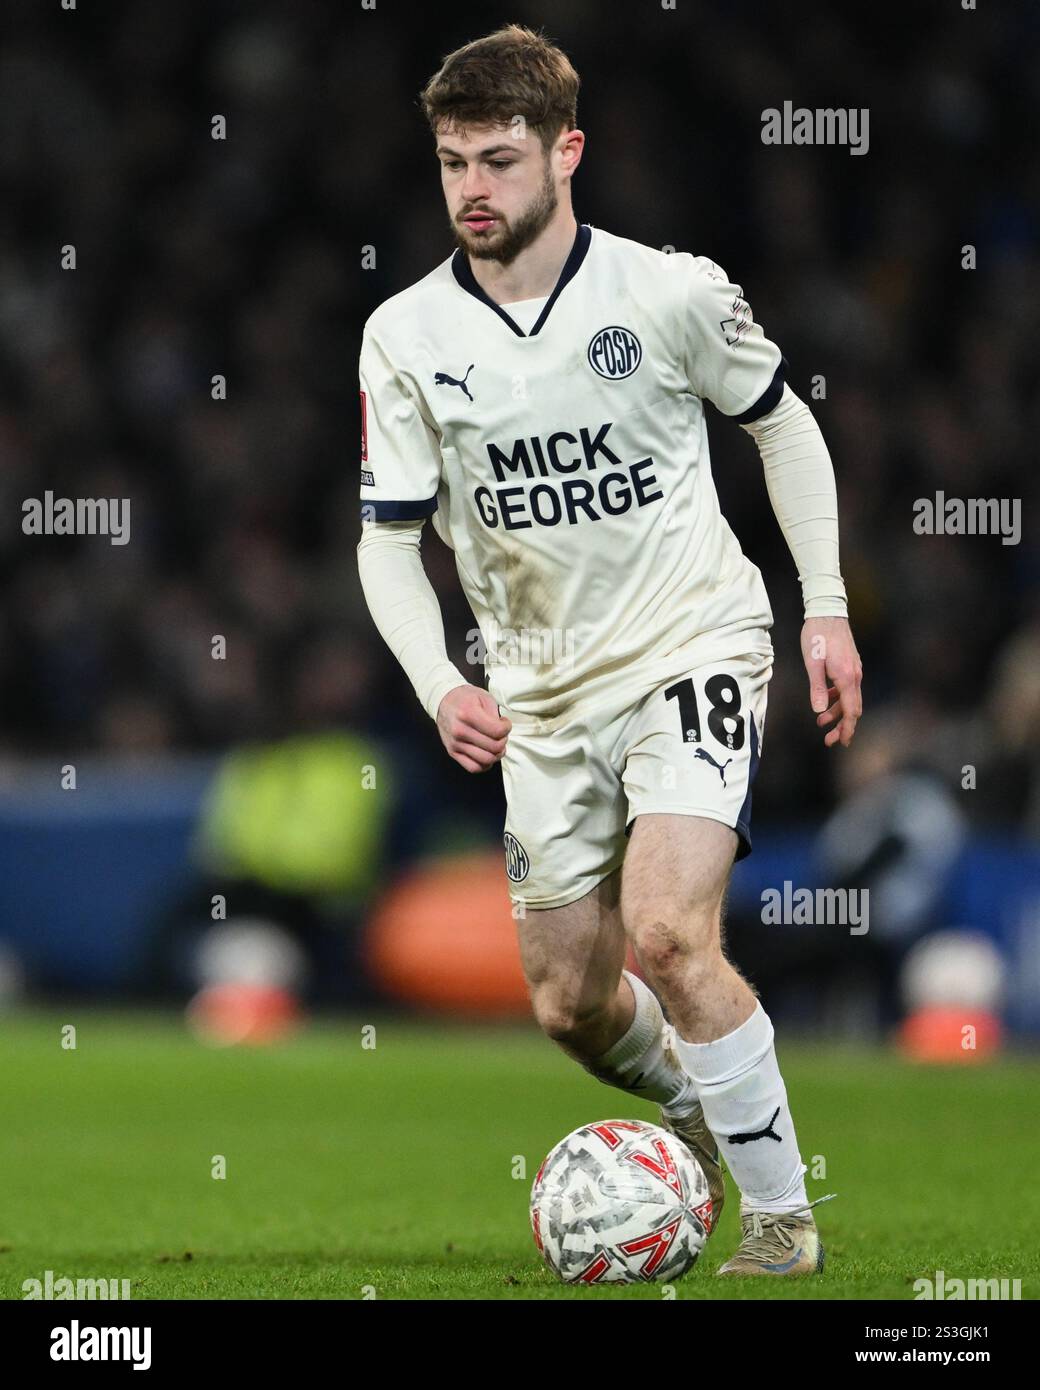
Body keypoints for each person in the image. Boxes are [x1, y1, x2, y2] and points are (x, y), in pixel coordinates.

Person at [357, 24, 862, 1277]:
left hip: (688, 641)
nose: (472, 188)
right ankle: (697, 1101)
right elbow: (384, 541)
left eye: (499, 159)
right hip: (536, 688)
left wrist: (825, 605)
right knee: (567, 1001)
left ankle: (785, 1221)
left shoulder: (667, 292)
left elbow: (781, 428)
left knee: (672, 935)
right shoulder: (404, 336)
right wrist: (440, 684)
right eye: (451, 162)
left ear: (565, 152)